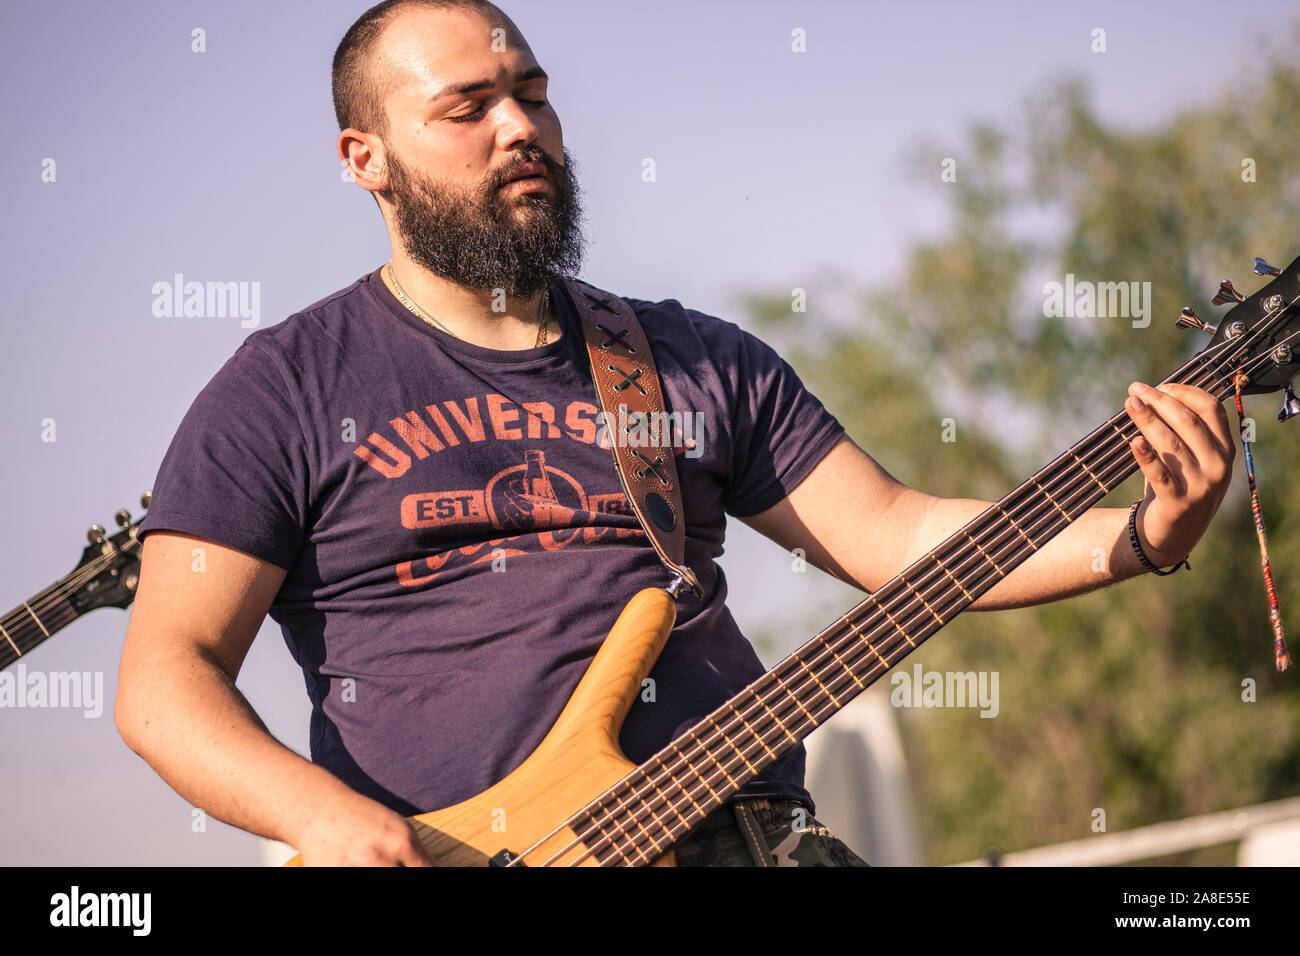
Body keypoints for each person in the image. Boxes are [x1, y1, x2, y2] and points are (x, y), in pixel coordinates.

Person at [114, 0, 1236, 867]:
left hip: (741, 835)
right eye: (467, 109)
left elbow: (895, 535)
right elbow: (166, 675)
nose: (521, 130)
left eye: (533, 94)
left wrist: (1140, 532)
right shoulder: (284, 385)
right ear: (366, 159)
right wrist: (330, 820)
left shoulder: (685, 357)